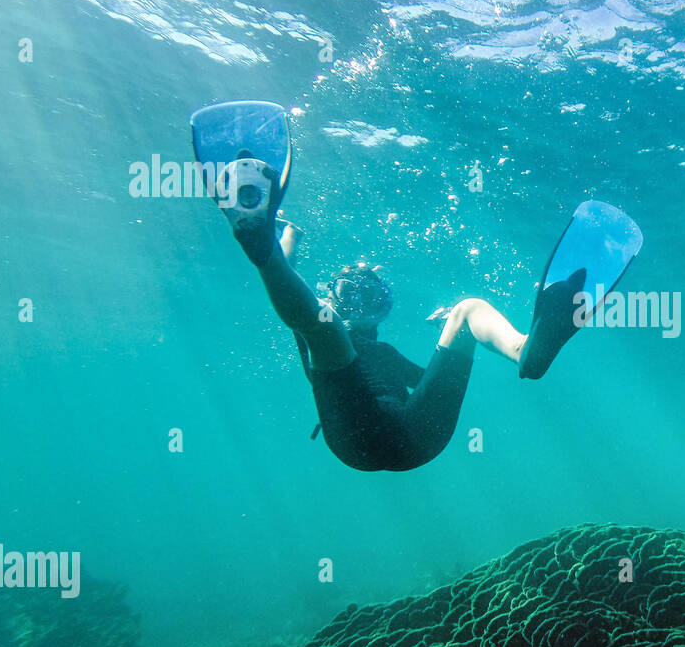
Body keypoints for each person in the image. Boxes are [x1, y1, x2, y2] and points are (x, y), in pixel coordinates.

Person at [190, 100, 641, 472]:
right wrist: (283, 237)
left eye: (370, 296)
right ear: (333, 295)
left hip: (393, 440)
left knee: (460, 310)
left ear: (385, 308)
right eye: (349, 293)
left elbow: (429, 382)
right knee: (326, 329)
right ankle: (258, 243)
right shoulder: (324, 326)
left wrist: (455, 337)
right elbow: (301, 299)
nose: (359, 303)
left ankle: (529, 351)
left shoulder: (345, 336)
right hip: (405, 441)